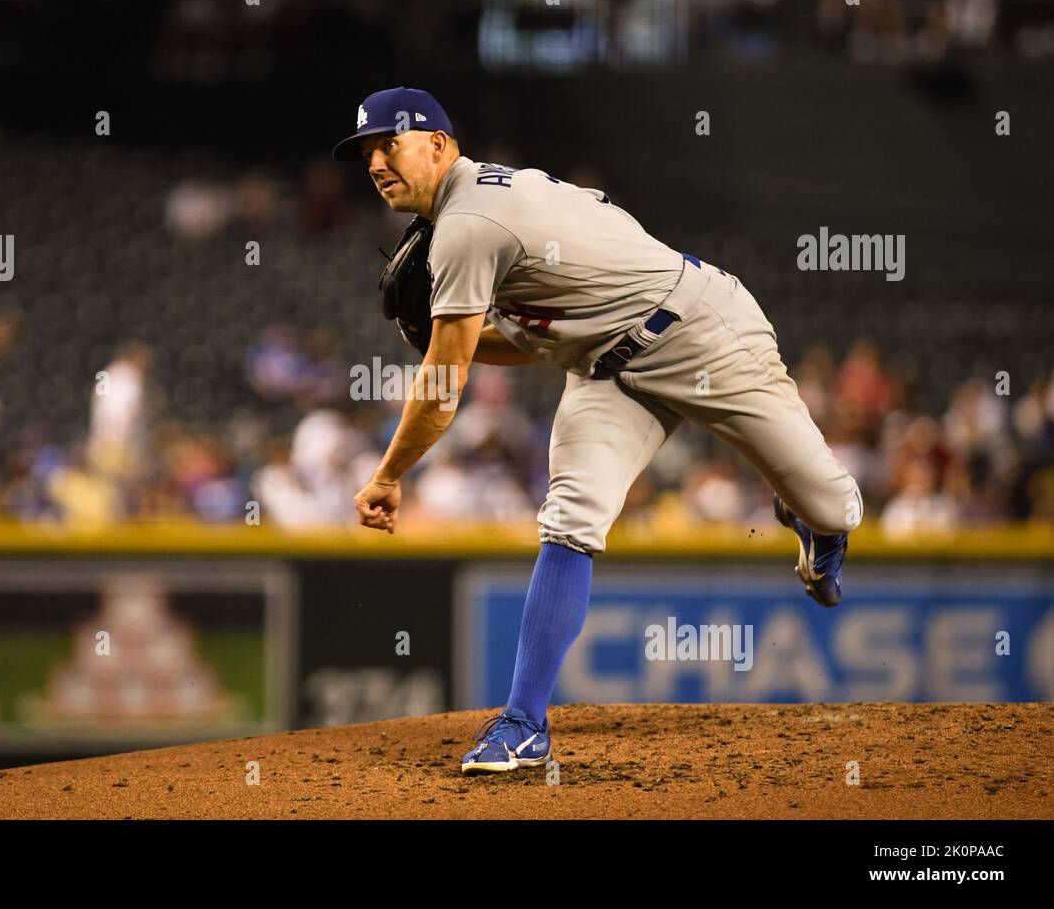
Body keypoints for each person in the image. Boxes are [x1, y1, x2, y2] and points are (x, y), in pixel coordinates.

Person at [333, 87, 863, 775]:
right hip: (604, 367)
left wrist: (388, 474)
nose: (375, 162)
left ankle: (812, 518)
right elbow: (545, 339)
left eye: (389, 144)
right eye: (366, 152)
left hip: (704, 333)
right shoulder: (478, 212)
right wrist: (447, 337)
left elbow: (441, 388)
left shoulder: (467, 225)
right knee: (571, 518)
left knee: (834, 503)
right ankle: (523, 722)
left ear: (437, 142)